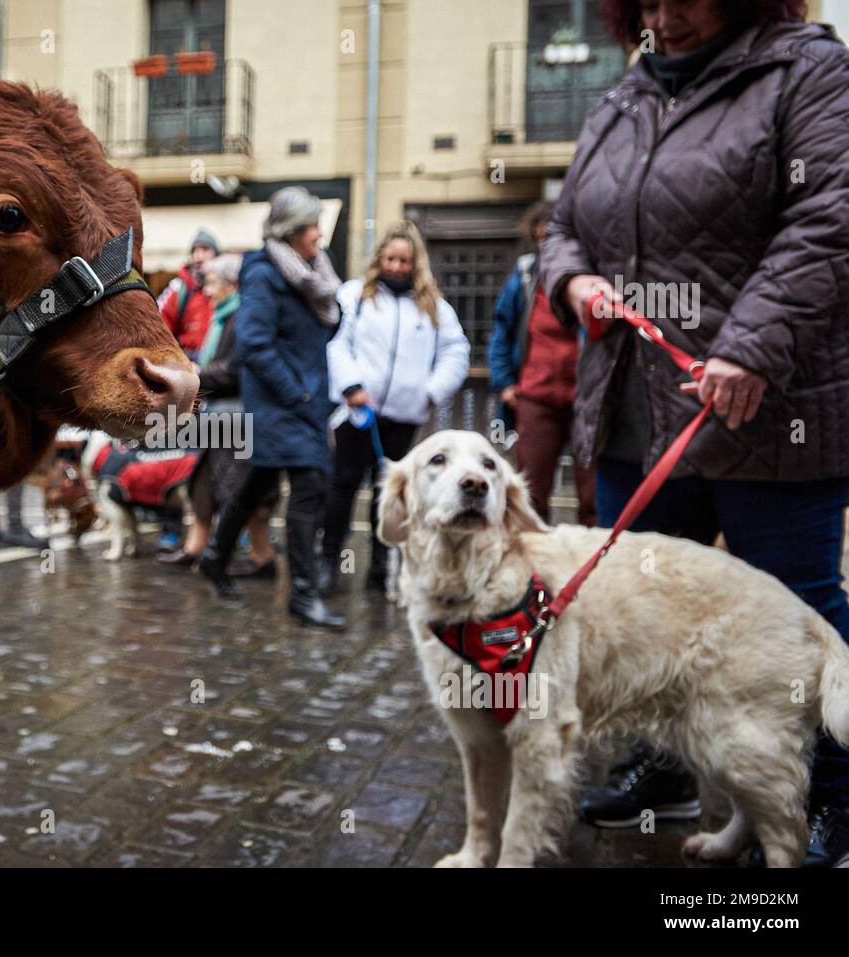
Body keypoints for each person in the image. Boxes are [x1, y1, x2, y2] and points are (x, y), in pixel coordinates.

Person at [541, 0, 849, 866]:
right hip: (639, 415)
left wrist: (751, 348)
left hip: (769, 412)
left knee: (797, 612)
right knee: (640, 610)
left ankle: (838, 799)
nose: (662, 17)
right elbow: (563, 229)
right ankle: (665, 767)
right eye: (644, 2)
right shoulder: (622, 97)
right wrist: (573, 287)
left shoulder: (808, 71)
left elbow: (828, 220)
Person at [196, 187, 345, 629]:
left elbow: (317, 332)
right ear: (292, 231)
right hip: (282, 401)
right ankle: (303, 593)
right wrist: (295, 393)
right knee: (309, 487)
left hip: (305, 398)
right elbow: (254, 345)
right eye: (313, 226)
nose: (320, 233)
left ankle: (214, 555)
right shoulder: (263, 271)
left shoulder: (312, 271)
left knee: (257, 484)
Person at [319, 221, 470, 595]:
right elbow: (336, 343)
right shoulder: (354, 295)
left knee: (389, 491)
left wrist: (430, 392)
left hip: (404, 415)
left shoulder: (434, 306)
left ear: (415, 262)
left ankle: (381, 567)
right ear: (379, 258)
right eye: (390, 258)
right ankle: (329, 562)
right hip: (357, 411)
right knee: (343, 485)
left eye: (405, 260)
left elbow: (456, 351)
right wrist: (351, 385)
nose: (397, 267)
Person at [157, 253, 277, 574]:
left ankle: (259, 556)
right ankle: (197, 547)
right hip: (220, 415)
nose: (206, 290)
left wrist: (198, 371)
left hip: (236, 416)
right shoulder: (225, 317)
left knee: (239, 489)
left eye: (211, 283)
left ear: (231, 285)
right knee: (204, 485)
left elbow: (235, 370)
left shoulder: (240, 318)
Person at [489, 200, 596, 525]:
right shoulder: (524, 276)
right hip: (535, 397)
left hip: (587, 399)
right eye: (540, 238)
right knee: (529, 494)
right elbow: (502, 330)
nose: (547, 245)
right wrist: (505, 382)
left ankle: (596, 569)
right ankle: (531, 571)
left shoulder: (592, 277)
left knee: (594, 495)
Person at [158, 229, 220, 359]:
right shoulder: (179, 288)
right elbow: (158, 326)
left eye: (205, 250)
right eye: (195, 251)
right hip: (187, 362)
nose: (199, 256)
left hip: (219, 366)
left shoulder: (228, 287)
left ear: (216, 255)